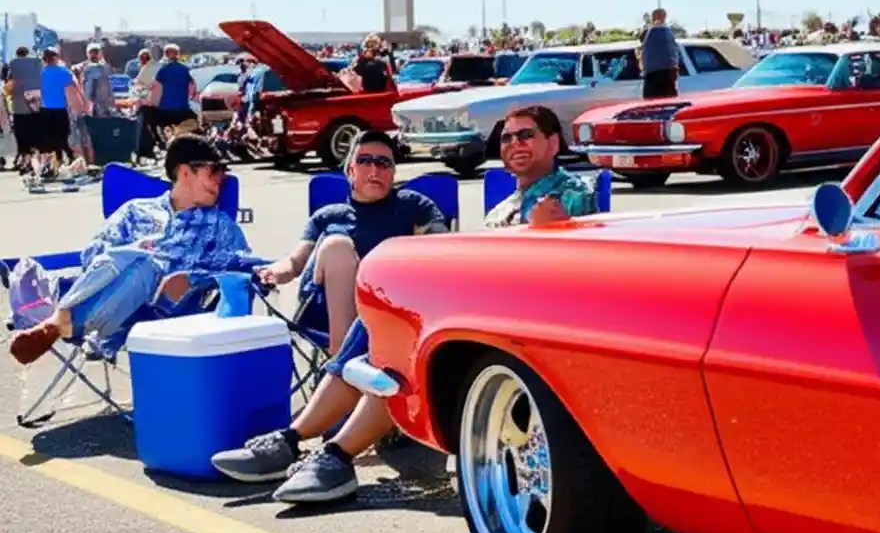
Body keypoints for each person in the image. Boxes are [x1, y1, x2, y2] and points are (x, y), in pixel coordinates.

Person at [211, 105, 599, 504]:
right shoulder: (504, 207)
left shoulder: (567, 195)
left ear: (553, 142)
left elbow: (567, 272)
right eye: (507, 137)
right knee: (382, 325)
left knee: (400, 340)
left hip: (514, 326)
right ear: (350, 171)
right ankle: (303, 444)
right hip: (462, 313)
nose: (514, 144)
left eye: (526, 135)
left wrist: (547, 232)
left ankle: (328, 451)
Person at [8, 136, 252, 364]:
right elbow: (95, 254)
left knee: (148, 266)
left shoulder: (221, 227)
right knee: (140, 261)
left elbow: (242, 268)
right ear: (185, 172)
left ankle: (61, 320)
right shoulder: (136, 210)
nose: (220, 180)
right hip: (111, 294)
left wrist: (191, 279)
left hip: (169, 312)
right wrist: (134, 253)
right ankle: (69, 323)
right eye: (213, 171)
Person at [256, 129, 447, 354]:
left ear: (393, 173)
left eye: (383, 163)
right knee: (337, 247)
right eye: (365, 161)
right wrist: (272, 273)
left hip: (392, 308)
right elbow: (294, 262)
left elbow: (441, 249)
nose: (374, 169)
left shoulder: (414, 206)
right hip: (325, 309)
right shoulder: (328, 216)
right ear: (350, 170)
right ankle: (344, 358)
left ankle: (351, 370)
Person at [36, 48, 89, 181]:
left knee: (50, 139)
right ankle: (68, 158)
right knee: (62, 137)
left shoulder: (40, 73)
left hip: (45, 109)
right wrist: (82, 104)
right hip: (60, 109)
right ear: (56, 58)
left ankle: (56, 165)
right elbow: (72, 89)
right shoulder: (63, 72)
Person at [3, 47, 44, 174]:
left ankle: (24, 162)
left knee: (22, 136)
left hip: (19, 106)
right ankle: (37, 161)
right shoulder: (37, 63)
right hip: (36, 105)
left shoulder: (13, 64)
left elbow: (9, 83)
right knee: (36, 135)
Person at [150, 44, 198, 144]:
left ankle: (163, 143)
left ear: (166, 54)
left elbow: (155, 87)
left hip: (165, 108)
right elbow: (193, 88)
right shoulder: (186, 70)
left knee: (153, 123)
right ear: (178, 54)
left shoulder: (163, 70)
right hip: (182, 107)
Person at [638, 8, 681, 99]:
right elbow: (674, 51)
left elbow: (642, 47)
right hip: (666, 72)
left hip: (656, 73)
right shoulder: (668, 32)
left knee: (653, 101)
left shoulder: (652, 31)